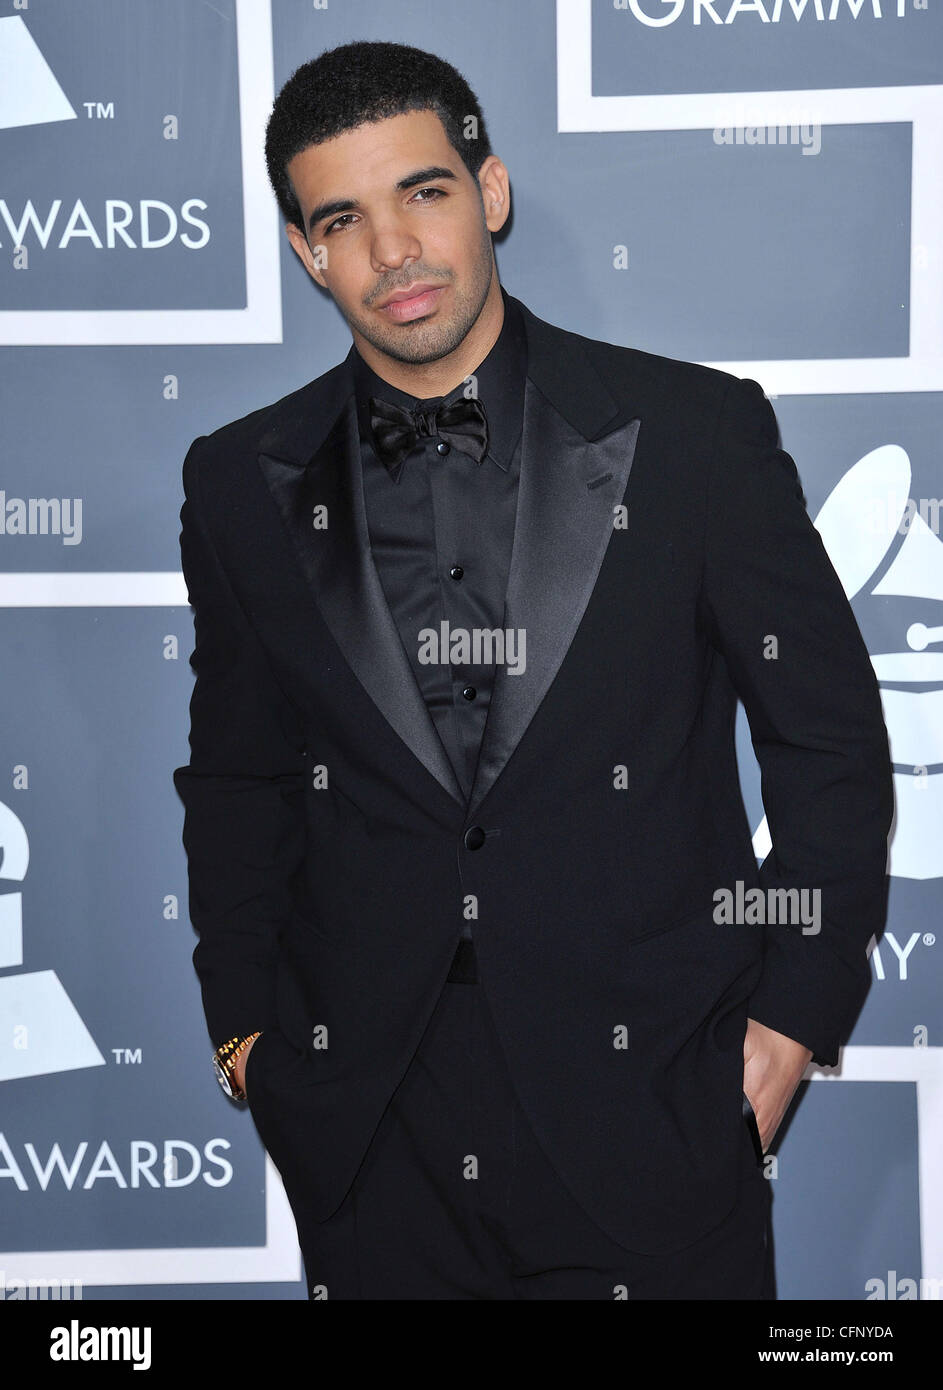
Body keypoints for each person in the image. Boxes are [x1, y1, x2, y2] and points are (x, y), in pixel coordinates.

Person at [173, 39, 893, 1300]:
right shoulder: (238, 485)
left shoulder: (696, 436)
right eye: (343, 217)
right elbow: (238, 780)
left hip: (655, 1105)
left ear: (490, 191)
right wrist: (247, 1042)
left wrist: (791, 1021)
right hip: (372, 1135)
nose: (391, 247)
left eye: (424, 192)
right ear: (306, 251)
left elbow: (827, 742)